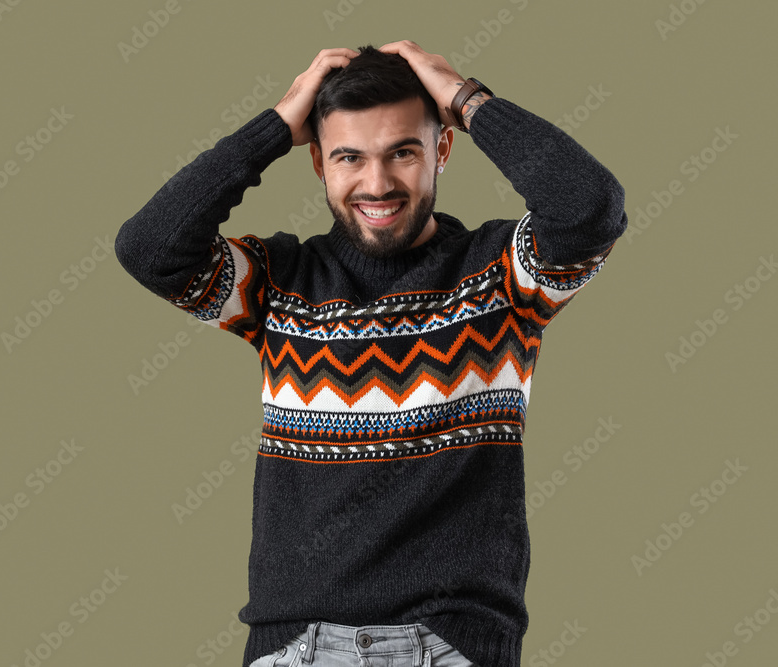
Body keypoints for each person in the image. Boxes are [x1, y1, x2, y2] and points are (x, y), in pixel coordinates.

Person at [116, 40, 627, 667]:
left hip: (449, 647)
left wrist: (466, 98)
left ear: (442, 150)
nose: (377, 184)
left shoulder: (502, 278)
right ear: (318, 162)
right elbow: (150, 249)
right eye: (349, 157)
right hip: (293, 649)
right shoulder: (279, 284)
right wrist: (275, 126)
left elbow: (590, 209)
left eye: (403, 152)